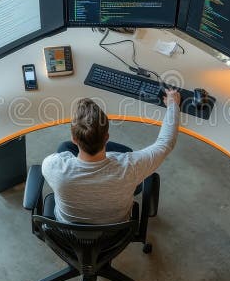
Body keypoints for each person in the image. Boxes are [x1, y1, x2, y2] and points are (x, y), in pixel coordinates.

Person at [41, 90, 181, 224]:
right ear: (106, 137)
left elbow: (60, 159)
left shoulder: (53, 167)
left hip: (68, 234)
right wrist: (173, 105)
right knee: (127, 154)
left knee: (63, 148)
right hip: (114, 235)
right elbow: (165, 144)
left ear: (74, 139)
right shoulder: (130, 167)